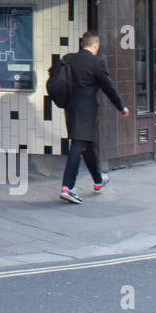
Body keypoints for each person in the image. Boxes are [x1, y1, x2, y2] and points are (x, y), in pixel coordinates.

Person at [59, 31, 129, 204]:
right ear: (95, 45)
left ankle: (98, 180)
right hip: (87, 110)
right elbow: (108, 87)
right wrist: (121, 107)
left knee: (87, 144)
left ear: (83, 44)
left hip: (70, 108)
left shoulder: (69, 58)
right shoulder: (97, 62)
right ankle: (67, 187)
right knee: (78, 143)